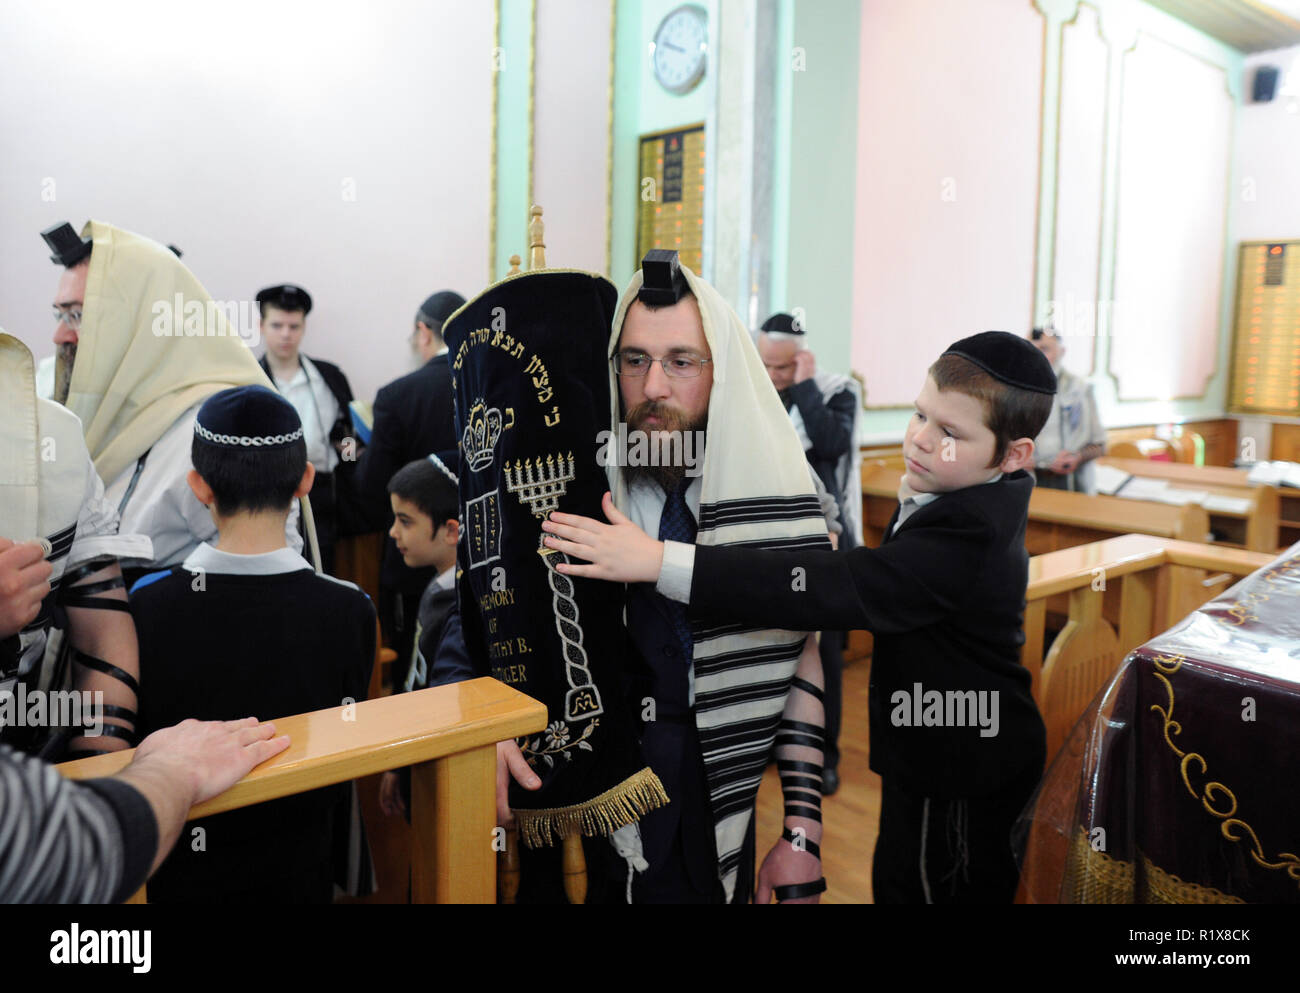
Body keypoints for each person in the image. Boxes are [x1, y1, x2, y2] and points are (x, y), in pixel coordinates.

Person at [542, 330, 1056, 904]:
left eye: (951, 434)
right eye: (920, 415)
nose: (920, 440)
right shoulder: (970, 495)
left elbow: (830, 588)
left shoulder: (973, 530)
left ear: (1014, 455)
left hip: (962, 773)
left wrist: (657, 560)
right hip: (937, 755)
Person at [518, 250, 828, 904]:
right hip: (594, 794)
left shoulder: (771, 489)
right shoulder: (573, 485)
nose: (653, 385)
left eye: (681, 361)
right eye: (634, 360)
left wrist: (801, 826)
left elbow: (798, 650)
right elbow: (494, 611)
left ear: (722, 372)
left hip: (721, 790)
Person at [129, 386, 374, 902]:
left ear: (198, 486)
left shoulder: (146, 606)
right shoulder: (350, 608)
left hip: (181, 875)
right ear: (305, 480)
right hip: (300, 870)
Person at [39, 221, 300, 585]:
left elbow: (263, 583)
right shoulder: (80, 405)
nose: (60, 334)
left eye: (79, 316)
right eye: (60, 314)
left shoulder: (219, 424)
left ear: (138, 322)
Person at [1, 331, 150, 759]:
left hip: (23, 765)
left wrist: (96, 771)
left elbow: (103, 633)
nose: (64, 331)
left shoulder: (56, 438)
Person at [757, 311, 863, 795]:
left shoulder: (837, 390)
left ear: (801, 360)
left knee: (826, 659)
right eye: (766, 366)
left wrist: (802, 386)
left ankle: (826, 758)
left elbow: (831, 443)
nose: (772, 376)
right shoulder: (754, 392)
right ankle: (773, 747)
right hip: (772, 542)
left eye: (782, 368)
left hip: (830, 541)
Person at [354, 290, 465, 680]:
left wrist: (358, 452)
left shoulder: (397, 395)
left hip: (411, 563)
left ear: (423, 332)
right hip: (481, 555)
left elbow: (371, 489)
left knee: (410, 667)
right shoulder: (488, 385)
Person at [377, 454, 471, 820]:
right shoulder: (436, 585)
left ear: (452, 531)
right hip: (414, 756)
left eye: (405, 521)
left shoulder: (462, 603)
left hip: (437, 765)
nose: (392, 533)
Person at [257, 284, 357, 575]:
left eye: (294, 326)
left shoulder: (328, 376)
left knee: (321, 566)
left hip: (321, 491)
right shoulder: (249, 378)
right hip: (267, 491)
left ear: (303, 327)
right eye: (277, 325)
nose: (286, 334)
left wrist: (350, 460)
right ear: (262, 326)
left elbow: (347, 432)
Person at [1028, 327, 1106, 493]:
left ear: (1062, 351)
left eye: (1044, 349)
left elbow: (1100, 445)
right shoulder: (1018, 390)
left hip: (1073, 485)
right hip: (1029, 481)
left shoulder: (1079, 389)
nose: (1037, 356)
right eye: (1032, 350)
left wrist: (1077, 457)